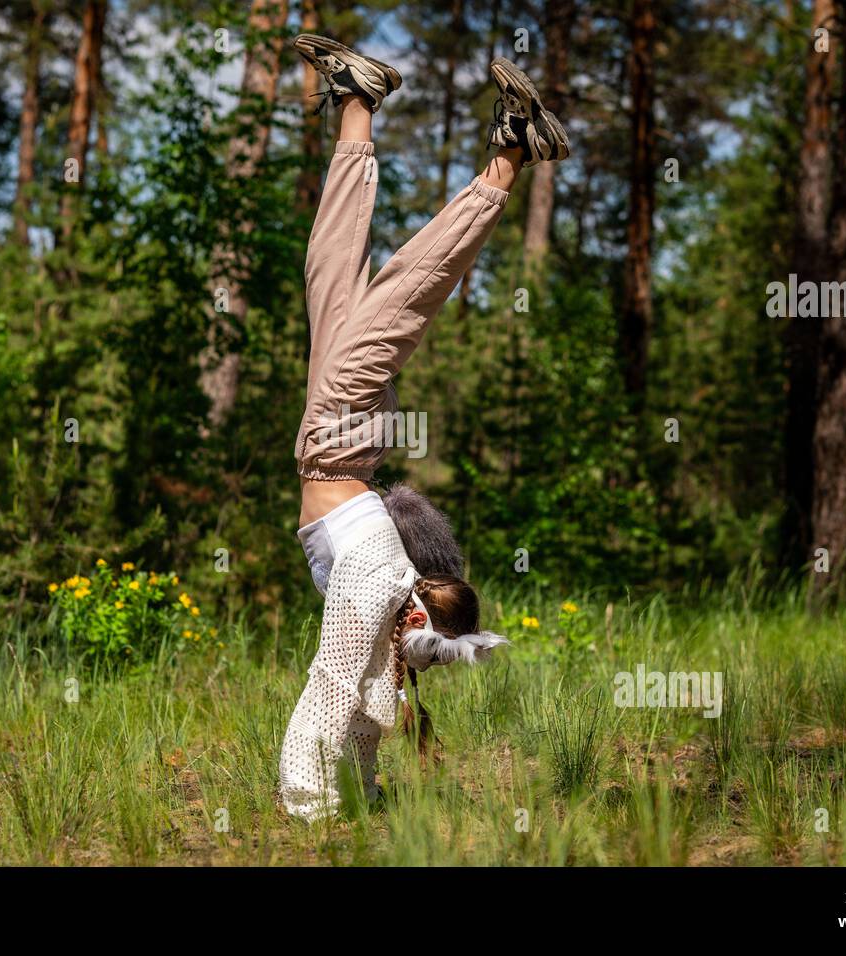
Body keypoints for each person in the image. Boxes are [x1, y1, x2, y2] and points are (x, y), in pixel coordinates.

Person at [279, 35, 570, 821]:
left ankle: (357, 102)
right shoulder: (382, 583)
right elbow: (332, 682)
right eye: (419, 642)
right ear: (415, 614)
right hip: (337, 434)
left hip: (336, 439)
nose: (411, 654)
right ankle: (509, 159)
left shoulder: (389, 618)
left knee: (328, 270)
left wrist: (367, 790)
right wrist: (309, 809)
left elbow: (365, 693)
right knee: (409, 287)